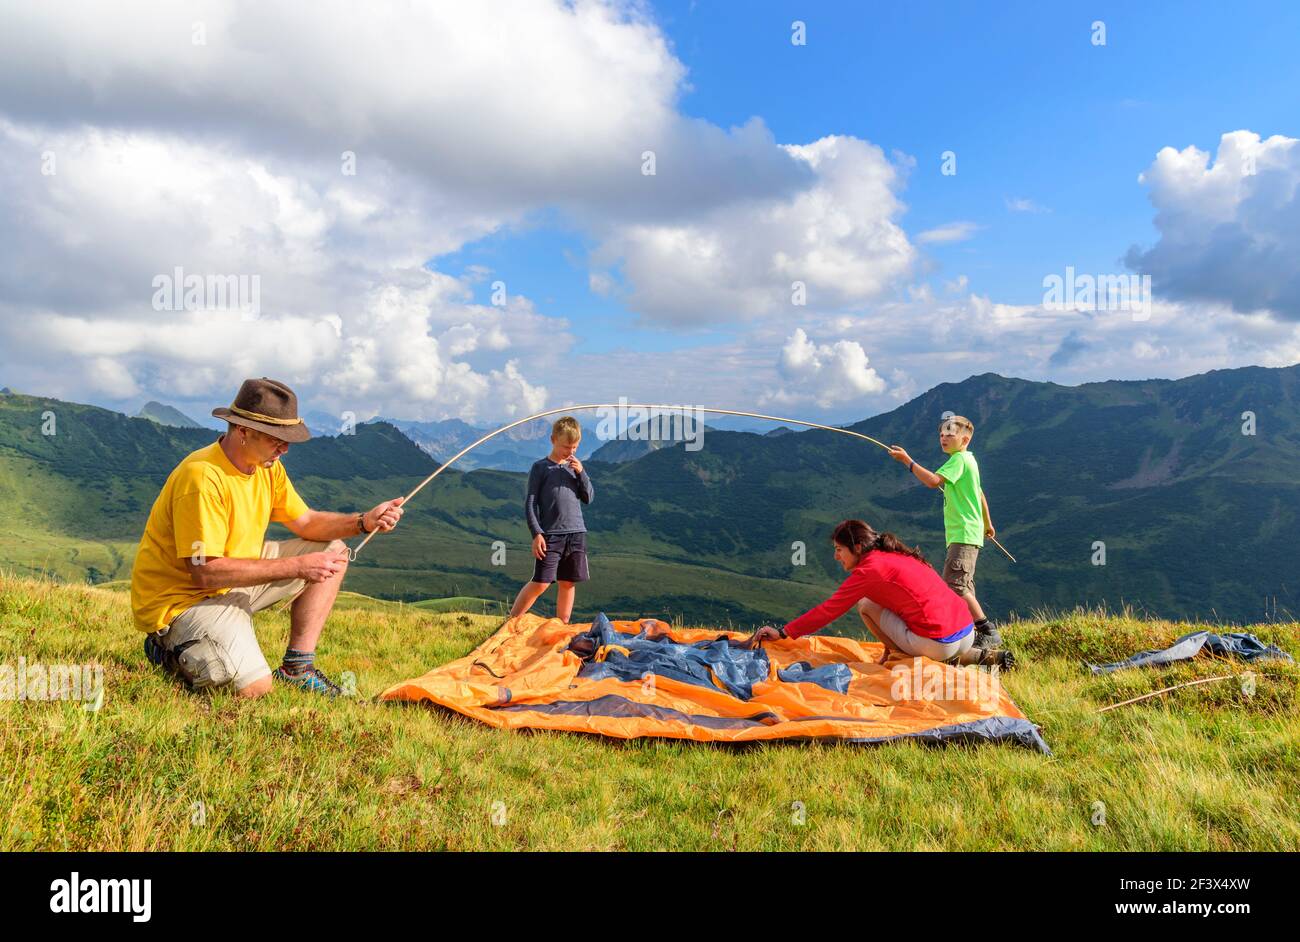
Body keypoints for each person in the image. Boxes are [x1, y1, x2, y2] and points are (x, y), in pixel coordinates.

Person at [130, 377, 405, 698]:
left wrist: (363, 521)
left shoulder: (265, 466)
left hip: (232, 579)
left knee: (334, 551)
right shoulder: (202, 477)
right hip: (184, 602)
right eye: (277, 437)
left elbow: (306, 523)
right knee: (254, 689)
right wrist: (298, 566)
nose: (285, 448)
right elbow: (204, 572)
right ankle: (167, 650)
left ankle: (297, 668)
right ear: (243, 431)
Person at [743, 519, 1013, 669]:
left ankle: (899, 659)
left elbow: (829, 610)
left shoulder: (869, 570)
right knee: (885, 604)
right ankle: (976, 657)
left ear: (858, 547)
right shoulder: (896, 555)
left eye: (839, 549)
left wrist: (785, 632)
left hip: (939, 643)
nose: (836, 556)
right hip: (966, 632)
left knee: (865, 605)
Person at [888, 415, 1001, 649]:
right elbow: (979, 494)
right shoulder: (969, 460)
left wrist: (907, 461)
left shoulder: (958, 460)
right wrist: (987, 523)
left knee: (955, 586)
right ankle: (971, 633)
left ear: (965, 439)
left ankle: (987, 631)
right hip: (968, 532)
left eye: (950, 434)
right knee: (964, 585)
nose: (944, 438)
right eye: (941, 434)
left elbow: (932, 481)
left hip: (962, 533)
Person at [508, 416, 594, 623]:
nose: (571, 452)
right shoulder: (540, 468)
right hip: (551, 535)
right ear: (553, 439)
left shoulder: (575, 468)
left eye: (575, 447)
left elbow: (588, 497)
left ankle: (562, 627)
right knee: (541, 582)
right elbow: (530, 503)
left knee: (568, 582)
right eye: (566, 447)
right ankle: (511, 621)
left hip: (576, 533)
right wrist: (537, 533)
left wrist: (581, 473)